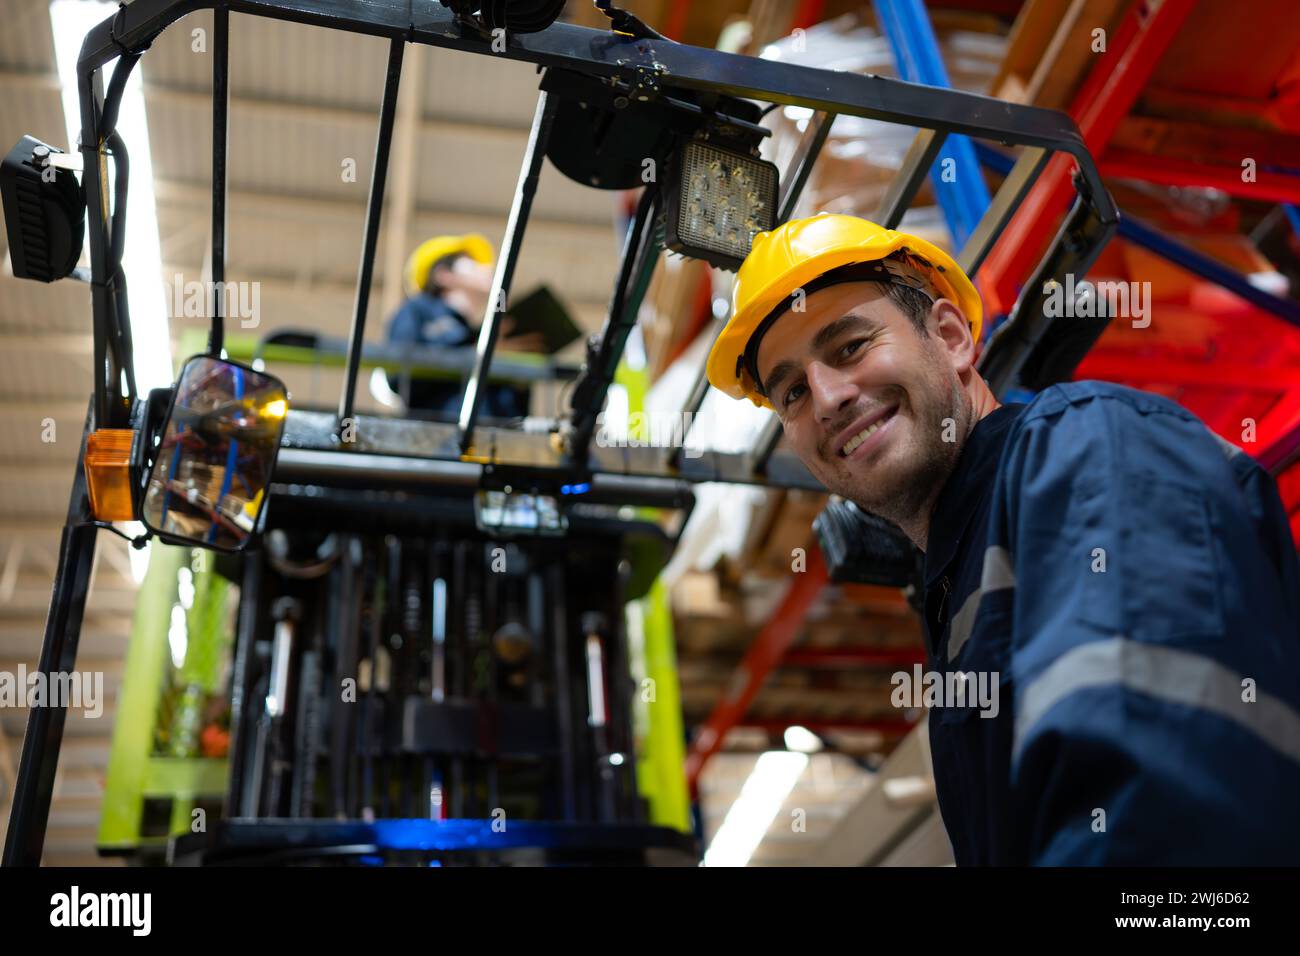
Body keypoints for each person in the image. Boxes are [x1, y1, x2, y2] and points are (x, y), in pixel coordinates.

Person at [705, 212, 1300, 865]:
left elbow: (1160, 811)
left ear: (952, 337)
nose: (826, 398)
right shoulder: (957, 582)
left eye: (849, 347)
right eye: (791, 391)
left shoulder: (1083, 446)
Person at [384, 234, 545, 420]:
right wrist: (477, 354)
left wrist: (515, 372)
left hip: (491, 440)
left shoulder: (483, 333)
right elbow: (399, 376)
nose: (486, 269)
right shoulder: (416, 310)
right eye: (471, 262)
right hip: (440, 440)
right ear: (444, 274)